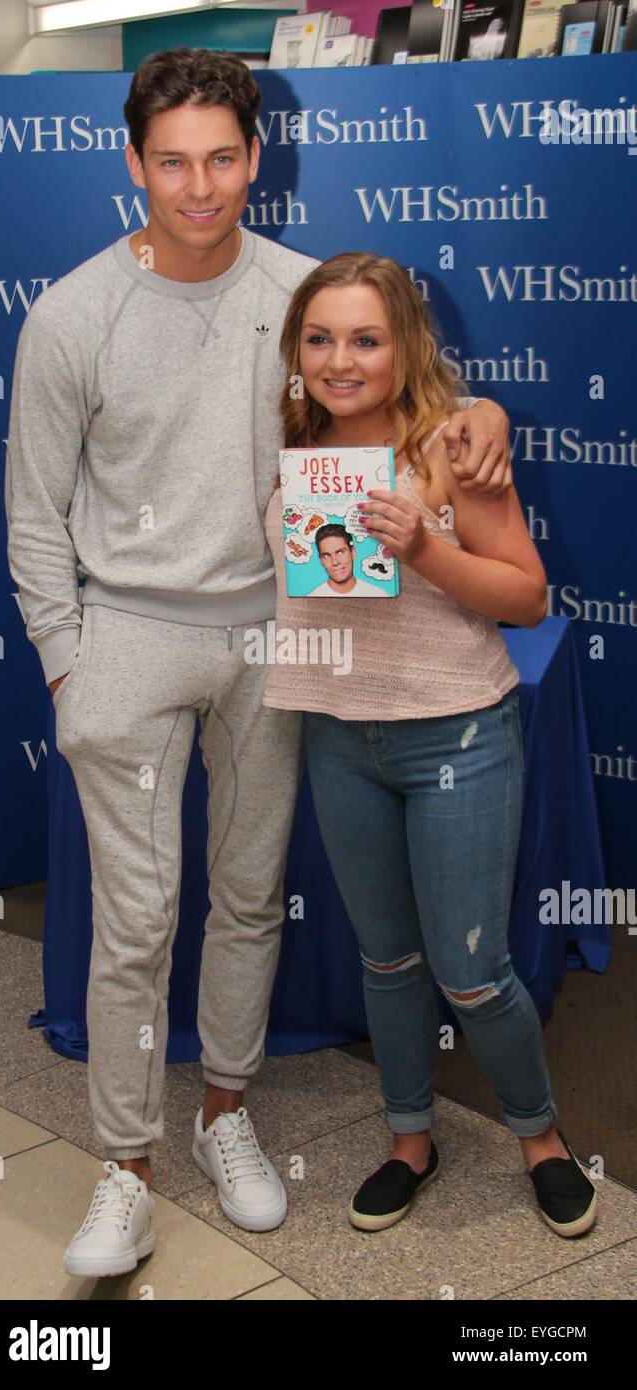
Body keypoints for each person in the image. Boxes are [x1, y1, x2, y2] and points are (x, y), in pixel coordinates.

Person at [4, 47, 514, 1277]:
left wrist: (483, 418)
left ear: (256, 157)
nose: (197, 186)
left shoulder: (299, 295)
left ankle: (224, 1111)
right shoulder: (72, 313)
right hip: (126, 636)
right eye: (171, 160)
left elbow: (401, 405)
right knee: (136, 922)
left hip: (273, 632)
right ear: (134, 162)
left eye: (222, 158)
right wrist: (69, 668)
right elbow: (32, 510)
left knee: (244, 894)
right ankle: (124, 1166)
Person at [263, 251, 597, 1239]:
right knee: (389, 960)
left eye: (366, 337)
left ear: (405, 345)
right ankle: (411, 1139)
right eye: (320, 338)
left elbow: (527, 595)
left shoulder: (452, 446)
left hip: (457, 735)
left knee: (472, 968)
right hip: (338, 737)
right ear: (296, 353)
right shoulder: (290, 446)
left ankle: (540, 1138)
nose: (341, 358)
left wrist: (425, 548)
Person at [310, 524, 386, 596]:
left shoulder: (378, 594)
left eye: (340, 552)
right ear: (321, 560)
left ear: (353, 552)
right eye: (326, 556)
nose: (335, 562)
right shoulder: (312, 598)